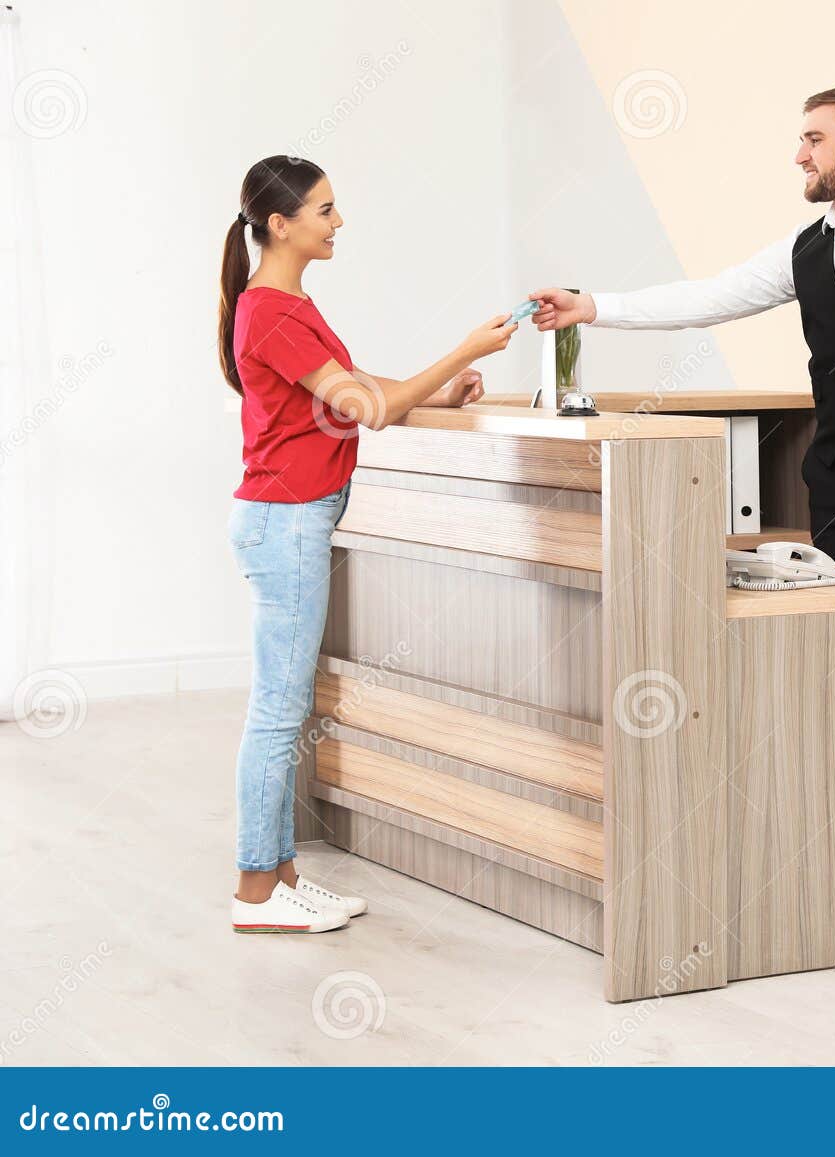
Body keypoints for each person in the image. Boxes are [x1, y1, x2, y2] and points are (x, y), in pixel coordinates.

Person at [528, 84, 835, 842]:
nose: (799, 154)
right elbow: (710, 297)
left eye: (813, 139)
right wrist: (596, 306)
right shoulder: (806, 247)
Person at [218, 155, 518, 932]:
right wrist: (462, 352)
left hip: (291, 519)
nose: (338, 221)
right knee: (278, 713)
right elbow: (366, 408)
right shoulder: (273, 312)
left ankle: (281, 874)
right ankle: (256, 893)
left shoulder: (285, 304)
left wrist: (439, 391)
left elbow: (351, 384)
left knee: (286, 705)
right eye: (324, 209)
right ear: (280, 224)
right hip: (285, 525)